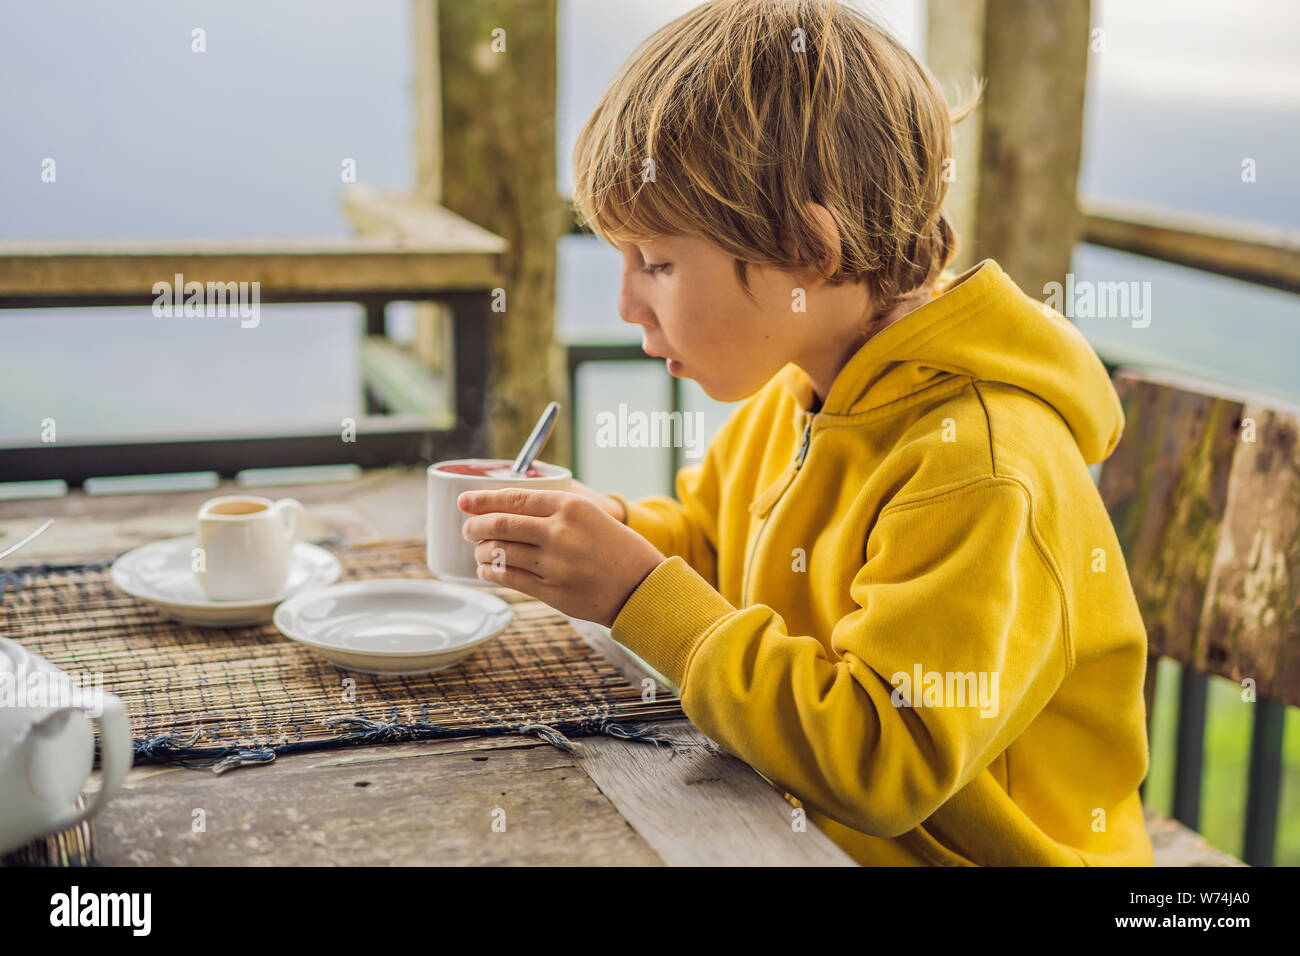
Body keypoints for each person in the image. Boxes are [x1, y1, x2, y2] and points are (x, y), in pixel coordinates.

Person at [458, 0, 1154, 866]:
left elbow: (880, 761)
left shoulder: (978, 467)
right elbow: (715, 550)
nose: (627, 305)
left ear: (808, 250)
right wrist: (614, 538)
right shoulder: (797, 393)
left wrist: (638, 597)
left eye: (659, 263)